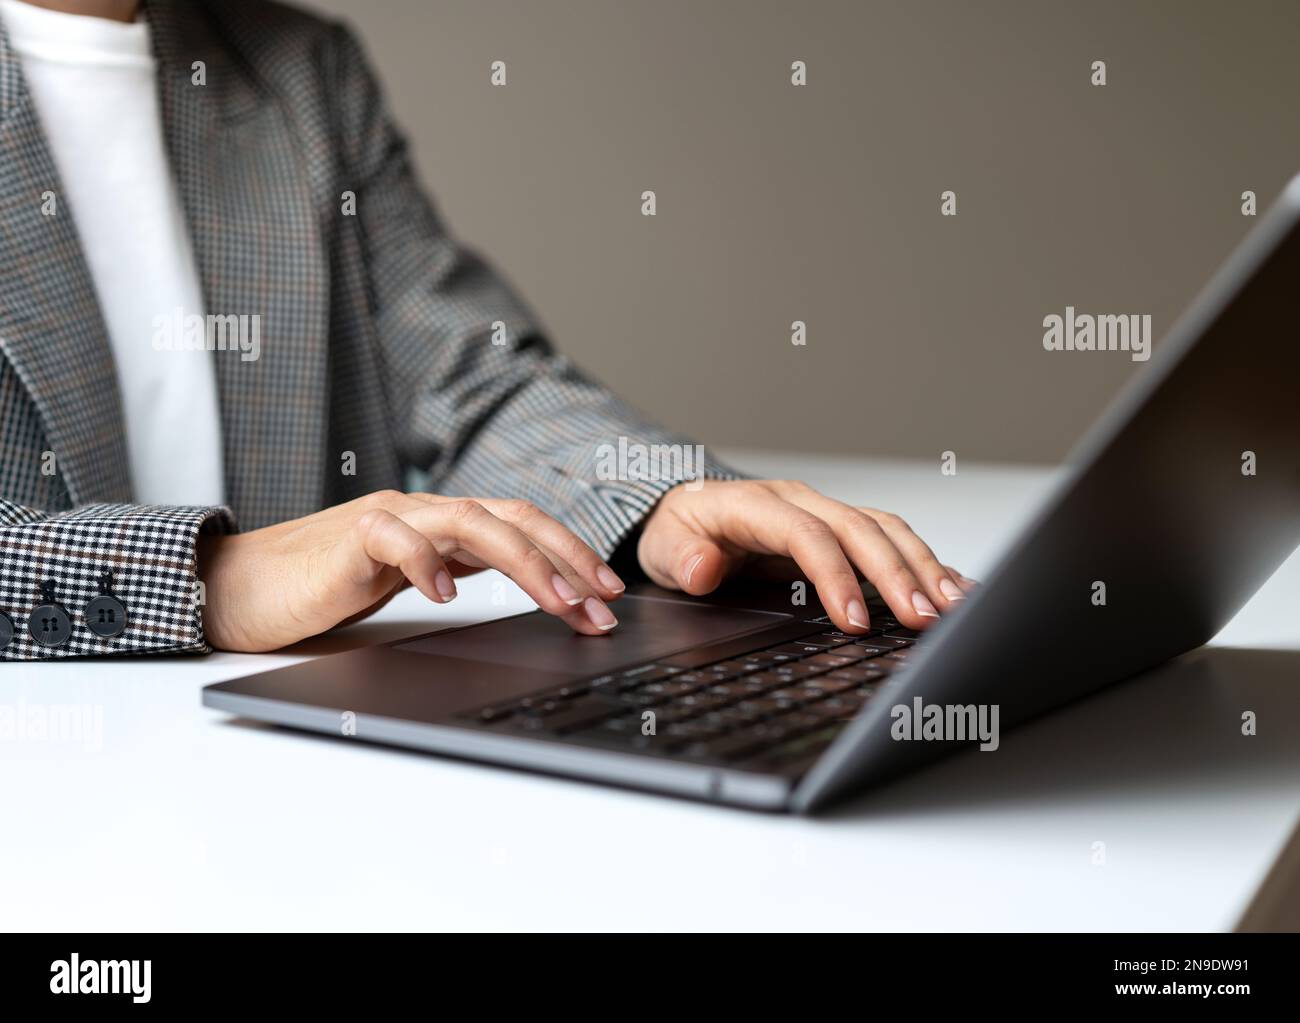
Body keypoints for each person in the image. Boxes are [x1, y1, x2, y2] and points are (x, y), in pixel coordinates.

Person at [0, 0, 972, 659]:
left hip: (278, 775)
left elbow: (469, 380)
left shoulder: (300, 73)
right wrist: (211, 577)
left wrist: (652, 499)